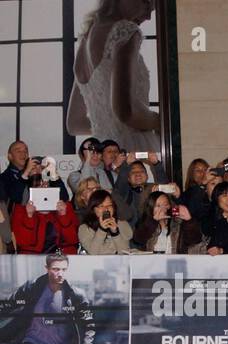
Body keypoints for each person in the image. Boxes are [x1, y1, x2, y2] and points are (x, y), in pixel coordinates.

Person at [68, 0, 161, 153]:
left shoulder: (85, 42)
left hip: (102, 150)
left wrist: (108, 127)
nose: (148, 16)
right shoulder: (126, 31)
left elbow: (74, 123)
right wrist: (162, 122)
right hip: (133, 148)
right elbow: (126, 112)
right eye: (146, 4)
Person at [0, 254, 95, 344]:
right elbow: (8, 304)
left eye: (64, 269)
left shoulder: (75, 295)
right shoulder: (33, 286)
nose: (60, 273)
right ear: (47, 268)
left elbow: (89, 323)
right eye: (56, 269)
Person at [77, 189, 131, 254]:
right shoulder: (85, 228)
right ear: (93, 209)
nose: (106, 209)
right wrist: (102, 230)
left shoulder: (122, 224)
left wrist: (115, 233)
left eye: (109, 205)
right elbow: (93, 252)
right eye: (101, 206)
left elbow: (125, 252)